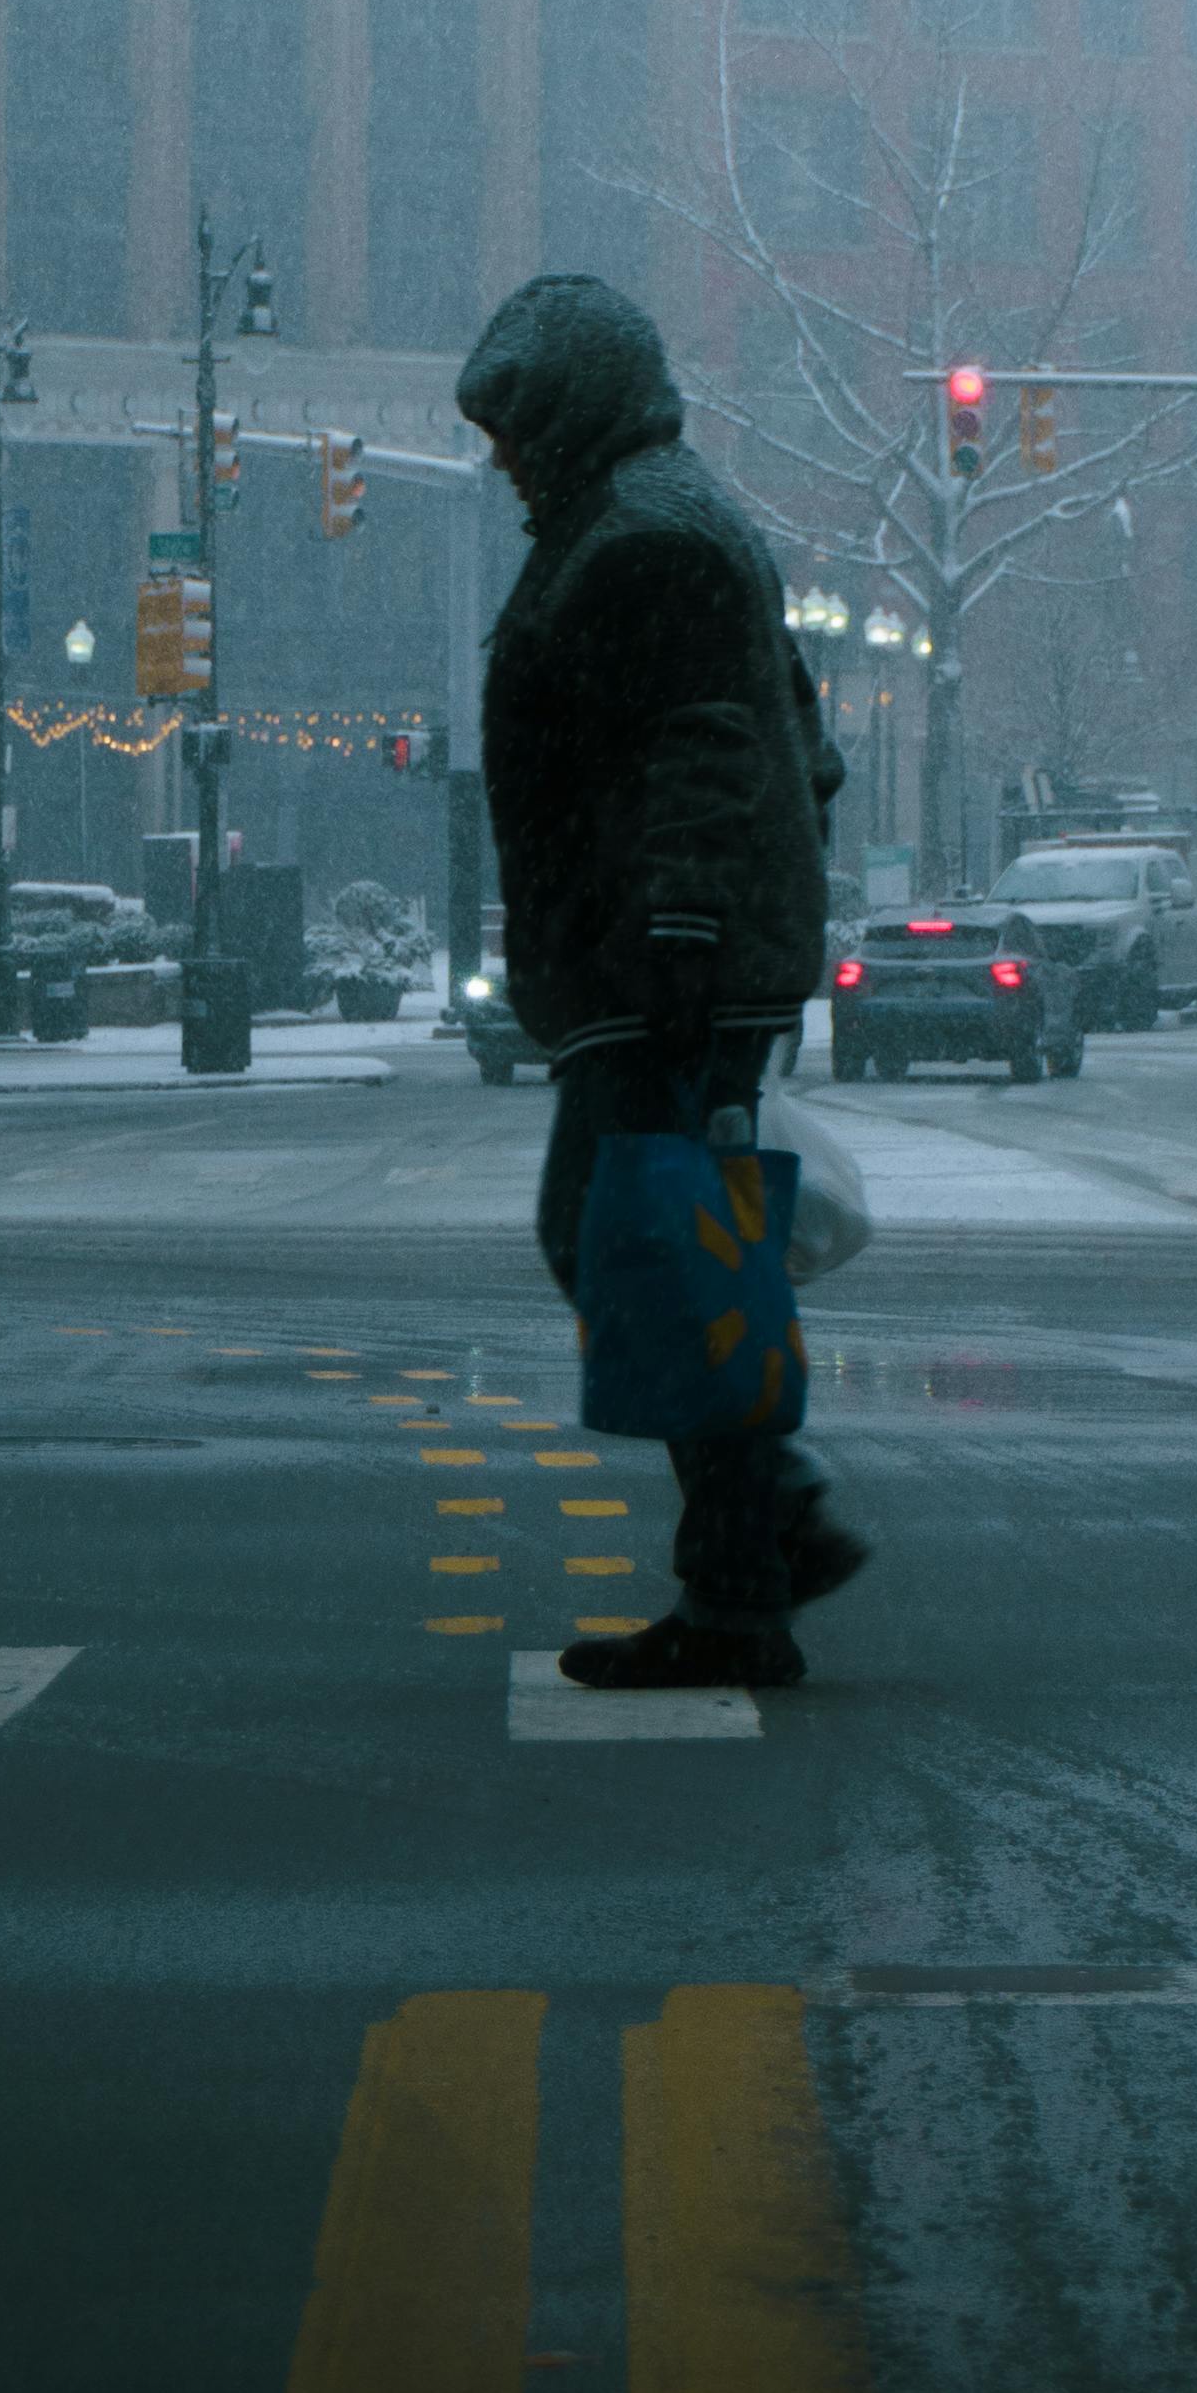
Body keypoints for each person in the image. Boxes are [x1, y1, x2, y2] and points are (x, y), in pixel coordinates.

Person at [455, 267, 866, 1689]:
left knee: (644, 1243)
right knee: (666, 1249)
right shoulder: (658, 518)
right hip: (662, 956)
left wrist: (686, 938)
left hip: (657, 966)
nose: (496, 453)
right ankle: (758, 1548)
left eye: (509, 423)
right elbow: (799, 743)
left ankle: (757, 1557)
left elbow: (710, 752)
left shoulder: (641, 540)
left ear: (567, 408)